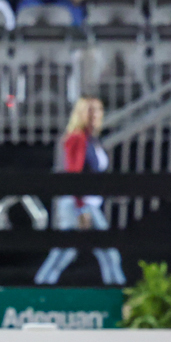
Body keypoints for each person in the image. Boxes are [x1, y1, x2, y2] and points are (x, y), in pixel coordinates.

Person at [35, 97, 125, 286]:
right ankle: (118, 293)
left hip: (87, 202)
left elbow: (95, 175)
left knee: (70, 251)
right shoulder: (77, 137)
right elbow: (73, 175)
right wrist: (81, 206)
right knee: (101, 252)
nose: (95, 115)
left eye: (98, 110)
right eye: (90, 110)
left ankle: (42, 285)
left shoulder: (92, 140)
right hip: (78, 202)